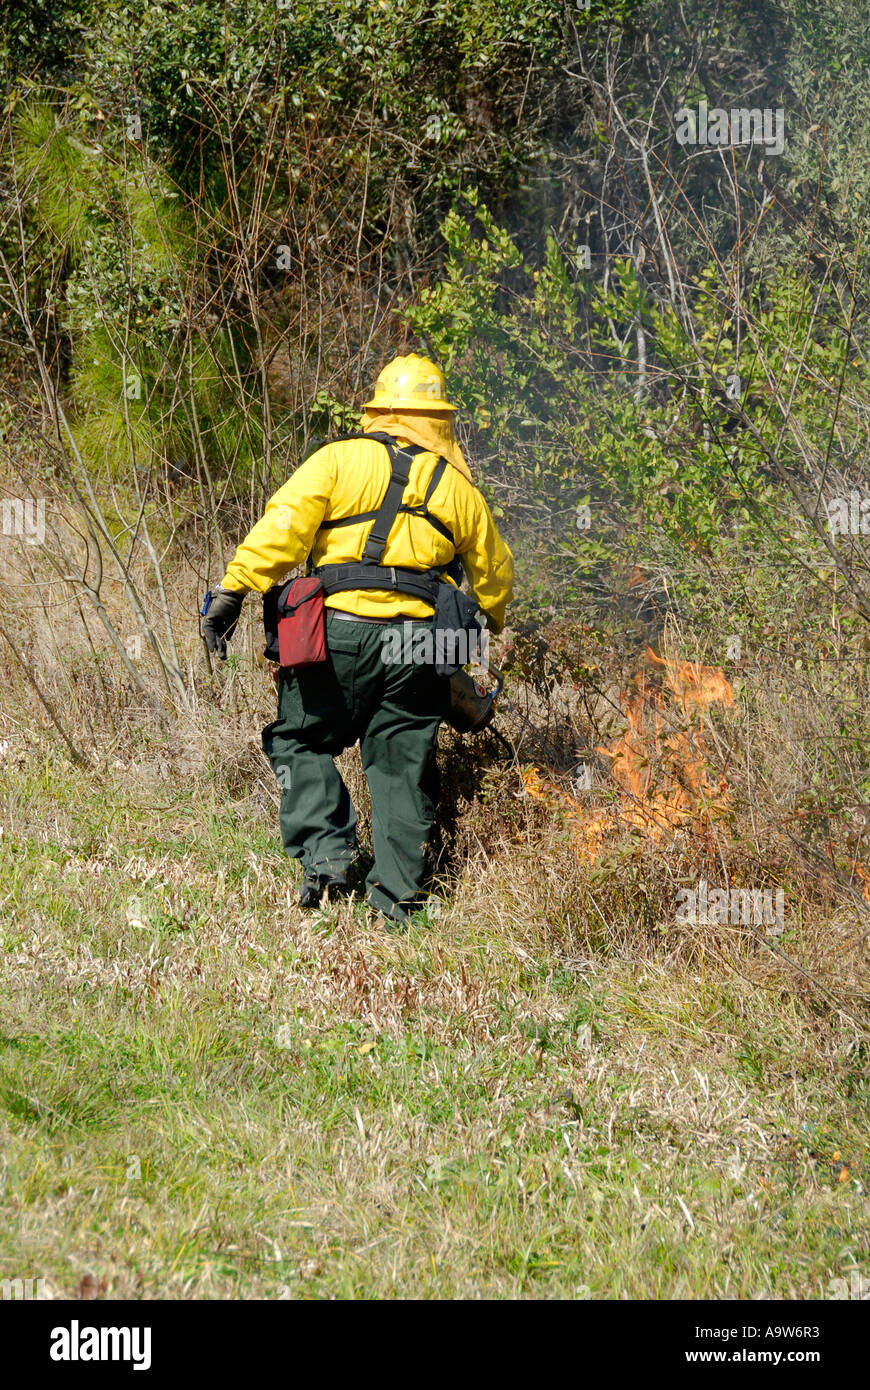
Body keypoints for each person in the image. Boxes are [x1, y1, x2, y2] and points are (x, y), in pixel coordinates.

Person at [202, 353, 513, 924]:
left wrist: (232, 591)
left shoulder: (338, 460)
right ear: (438, 419)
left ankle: (325, 856)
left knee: (301, 740)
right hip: (420, 647)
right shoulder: (459, 489)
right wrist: (484, 630)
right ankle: (395, 901)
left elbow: (284, 525)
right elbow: (495, 579)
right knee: (402, 767)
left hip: (336, 636)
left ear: (379, 410)